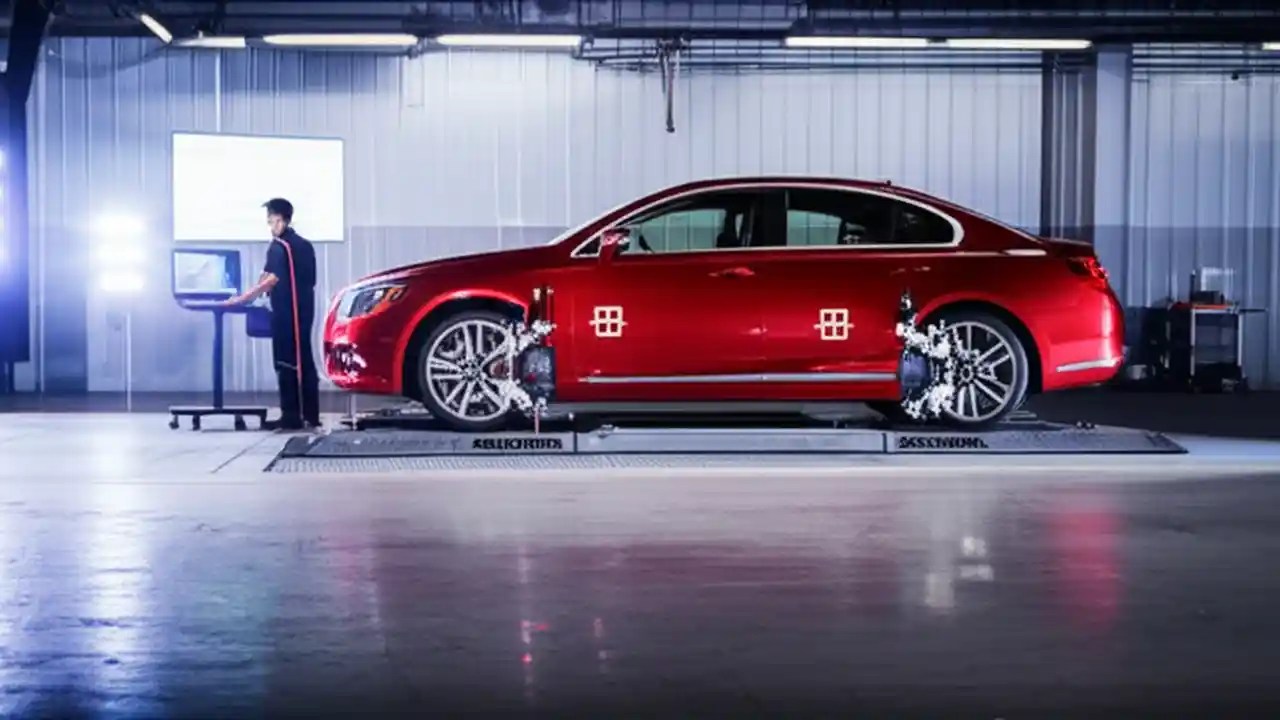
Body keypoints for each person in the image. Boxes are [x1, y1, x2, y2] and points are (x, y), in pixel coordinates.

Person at [219, 198, 320, 431]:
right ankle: (310, 415)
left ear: (280, 220)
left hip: (286, 313)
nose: (270, 226)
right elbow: (269, 275)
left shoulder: (280, 246)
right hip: (305, 311)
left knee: (286, 362)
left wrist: (242, 299)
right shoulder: (305, 246)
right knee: (304, 360)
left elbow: (270, 279)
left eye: (271, 220)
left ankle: (291, 417)